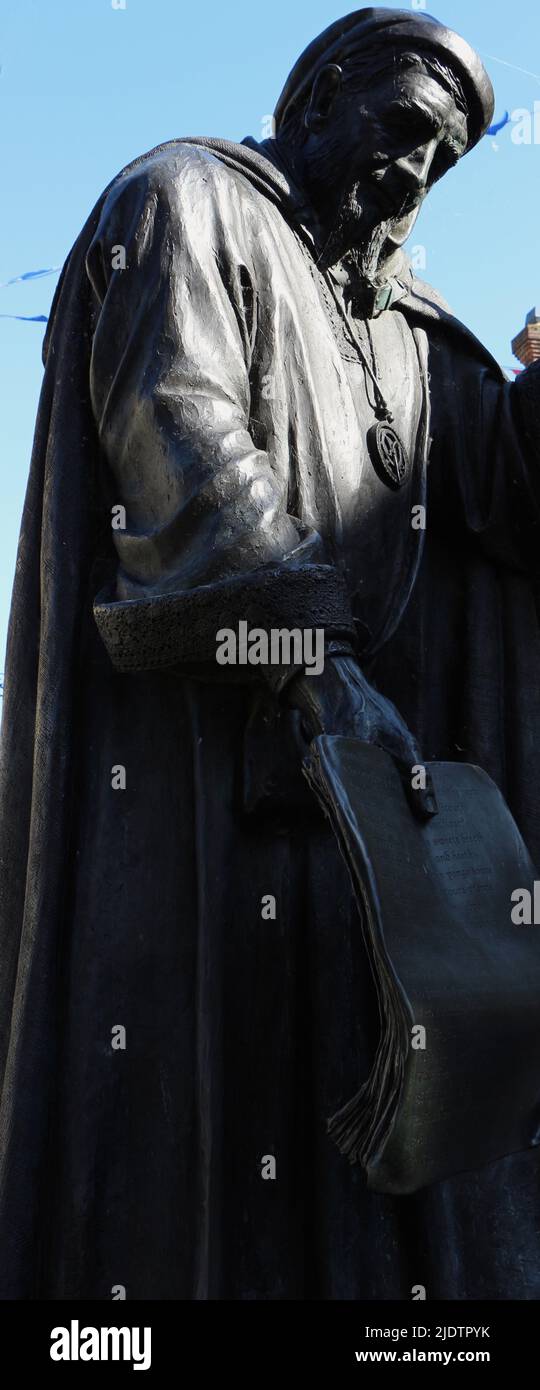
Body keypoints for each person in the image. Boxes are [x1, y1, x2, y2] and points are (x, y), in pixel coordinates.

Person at [1, 8, 540, 1299]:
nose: (412, 174)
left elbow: (508, 501)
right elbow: (182, 446)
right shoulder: (182, 203)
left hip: (366, 826)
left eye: (441, 161)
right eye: (403, 128)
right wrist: (320, 673)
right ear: (320, 93)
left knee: (350, 1167)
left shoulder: (413, 333)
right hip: (197, 796)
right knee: (199, 1147)